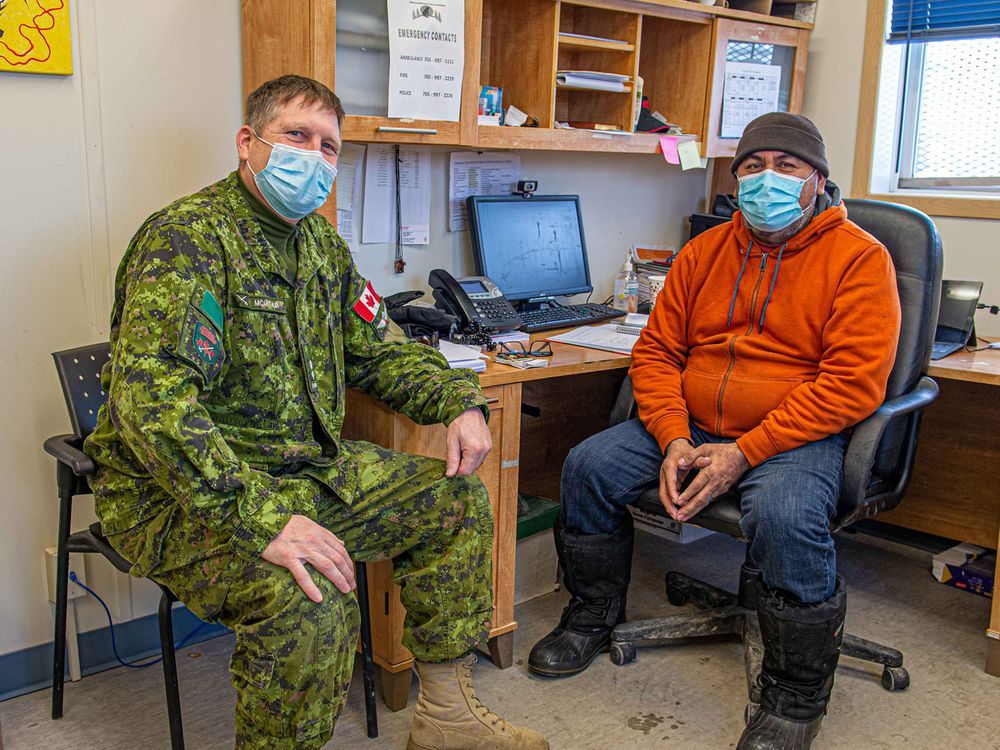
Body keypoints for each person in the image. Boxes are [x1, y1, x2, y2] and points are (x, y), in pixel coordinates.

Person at [85, 74, 548, 750]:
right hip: (178, 498)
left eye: (329, 146)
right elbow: (153, 401)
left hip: (300, 471)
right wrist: (264, 518)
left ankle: (445, 716)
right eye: (296, 135)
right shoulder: (187, 239)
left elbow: (377, 351)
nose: (314, 156)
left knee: (456, 503)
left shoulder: (319, 247)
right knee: (315, 603)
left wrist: (459, 400)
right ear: (249, 142)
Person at [528, 113, 901, 750]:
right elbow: (655, 354)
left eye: (787, 167)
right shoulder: (705, 253)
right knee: (588, 468)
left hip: (792, 437)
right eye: (753, 167)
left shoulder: (861, 260)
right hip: (693, 423)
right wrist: (674, 436)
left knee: (784, 516)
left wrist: (743, 453)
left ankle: (793, 697)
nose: (767, 180)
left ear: (818, 180)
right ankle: (592, 615)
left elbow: (852, 386)